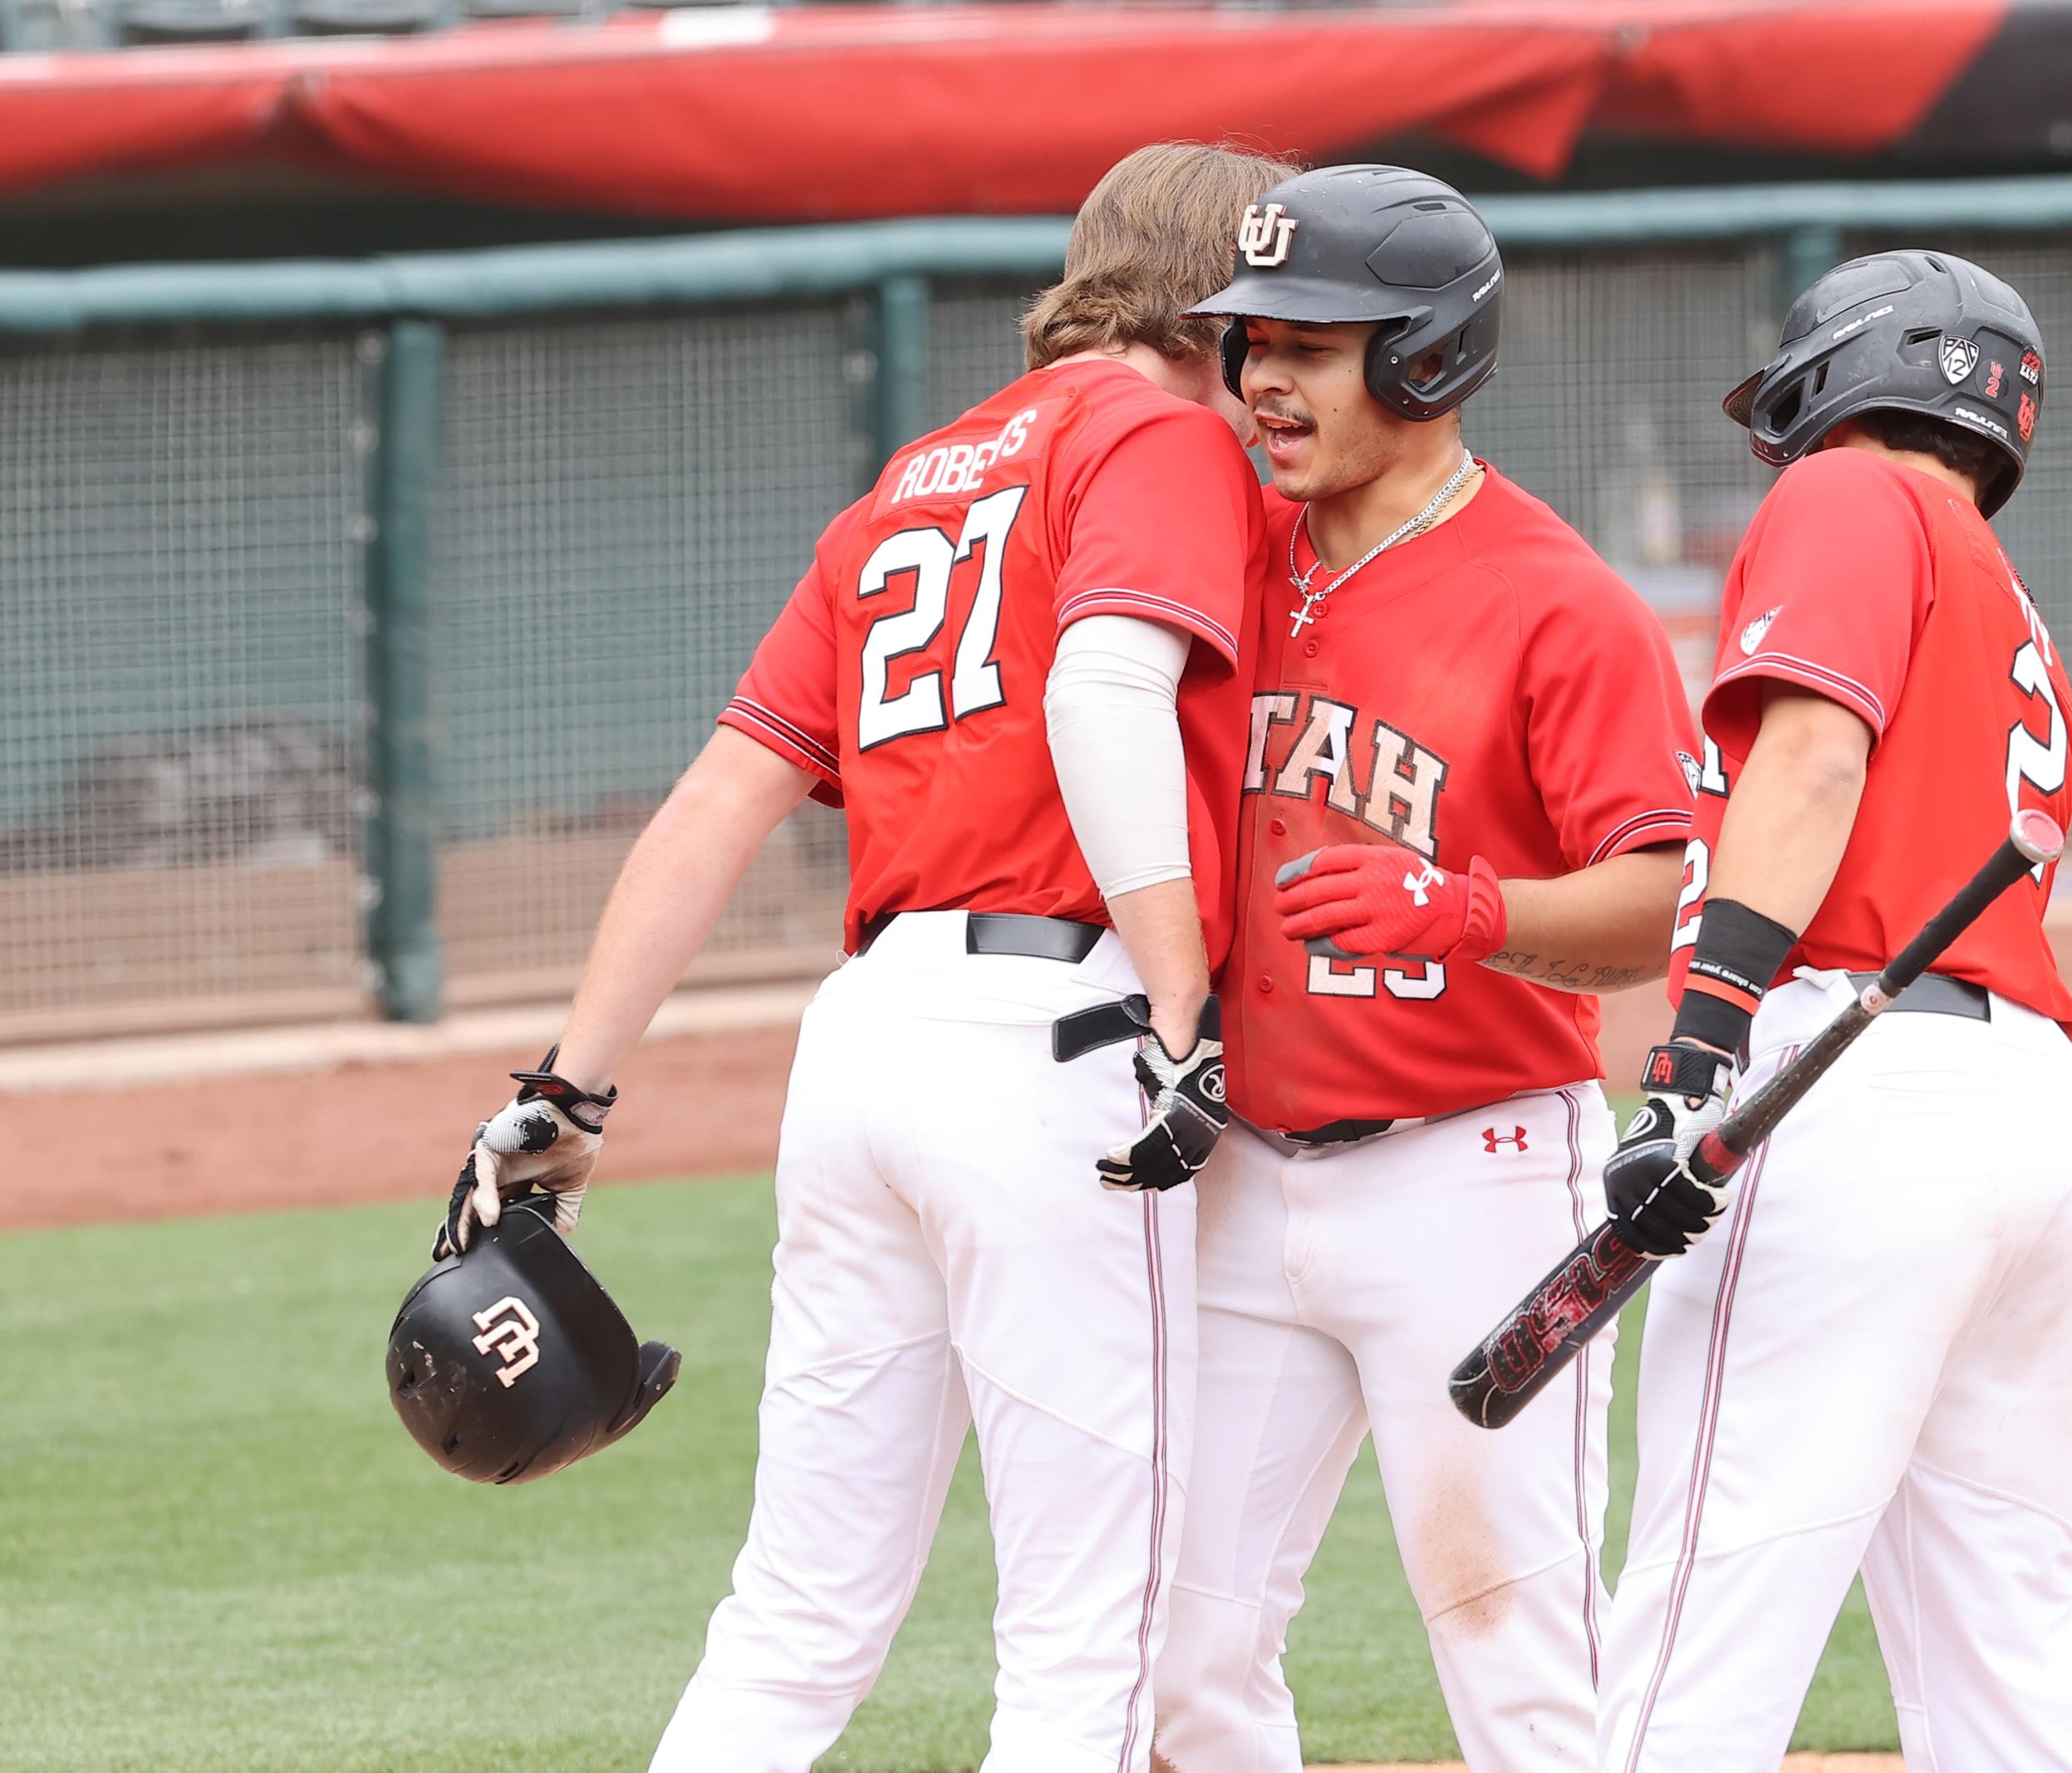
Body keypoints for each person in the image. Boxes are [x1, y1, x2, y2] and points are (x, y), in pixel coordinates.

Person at [430, 140, 1299, 1773]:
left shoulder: (912, 481)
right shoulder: (1161, 435)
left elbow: (717, 800)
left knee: (798, 1612)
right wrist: (1181, 1003)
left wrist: (569, 1091)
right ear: (1219, 303)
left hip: (867, 1041)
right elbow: (1105, 691)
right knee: (1087, 1630)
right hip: (1058, 1033)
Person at [1148, 165, 1701, 1773]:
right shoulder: (1216, 553)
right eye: (1253, 342)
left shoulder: (1557, 600)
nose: (1264, 380)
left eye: (1311, 348)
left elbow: (1660, 897)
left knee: (1517, 1652)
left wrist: (1467, 911)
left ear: (1426, 358)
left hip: (1474, 1175)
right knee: (1175, 1650)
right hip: (1238, 1176)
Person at [1597, 249, 2072, 1772]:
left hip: (1852, 1084)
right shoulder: (2006, 598)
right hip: (2034, 1113)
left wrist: (1693, 1060)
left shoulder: (1847, 493)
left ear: (1844, 376)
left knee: (1704, 1615)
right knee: (2007, 1650)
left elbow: (1814, 762)